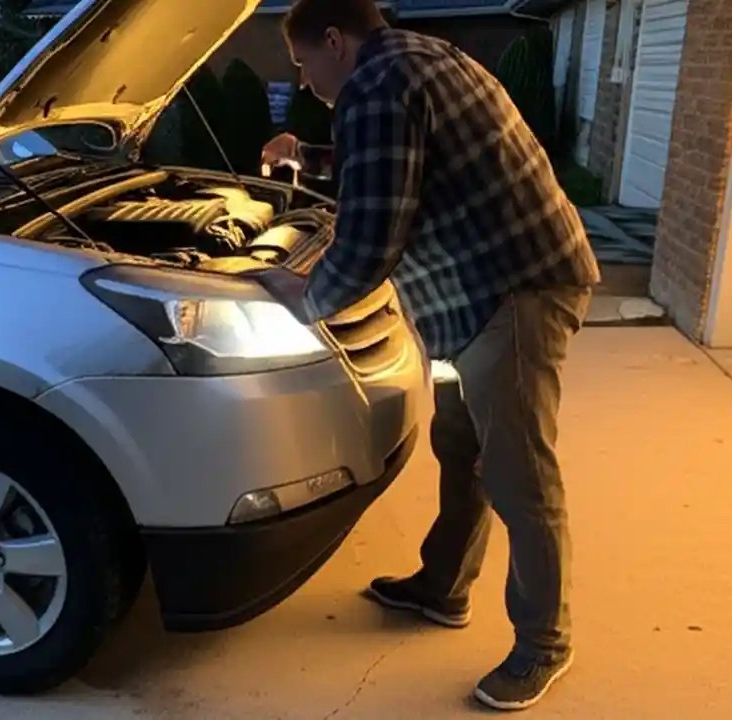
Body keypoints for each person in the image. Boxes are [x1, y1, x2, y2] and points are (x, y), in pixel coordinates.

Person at [254, 0, 601, 711]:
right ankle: (444, 586)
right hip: (491, 287)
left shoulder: (376, 86)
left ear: (332, 40)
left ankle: (545, 644)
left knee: (520, 476)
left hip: (514, 291)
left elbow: (374, 235)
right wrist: (310, 158)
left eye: (302, 63)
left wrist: (303, 297)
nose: (306, 79)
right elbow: (402, 167)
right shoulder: (418, 57)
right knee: (460, 444)